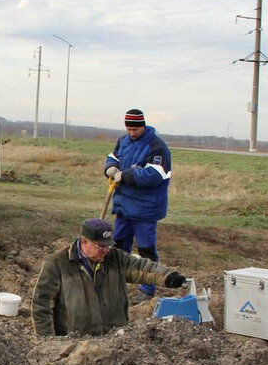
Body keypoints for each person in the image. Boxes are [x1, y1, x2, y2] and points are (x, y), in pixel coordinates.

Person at [31, 218, 187, 336]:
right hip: (75, 343)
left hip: (113, 340)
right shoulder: (57, 263)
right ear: (84, 241)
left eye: (108, 245)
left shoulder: (115, 258)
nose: (106, 250)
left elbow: (142, 268)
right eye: (101, 246)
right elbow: (41, 304)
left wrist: (168, 276)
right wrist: (47, 341)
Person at [104, 108, 172, 301]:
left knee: (146, 249)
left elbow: (154, 175)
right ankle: (115, 282)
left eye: (135, 129)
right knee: (118, 247)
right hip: (124, 205)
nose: (131, 133)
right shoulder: (123, 141)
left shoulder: (157, 147)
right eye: (128, 129)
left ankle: (147, 289)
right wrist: (110, 167)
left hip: (145, 208)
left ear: (143, 126)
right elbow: (113, 157)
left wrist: (125, 175)